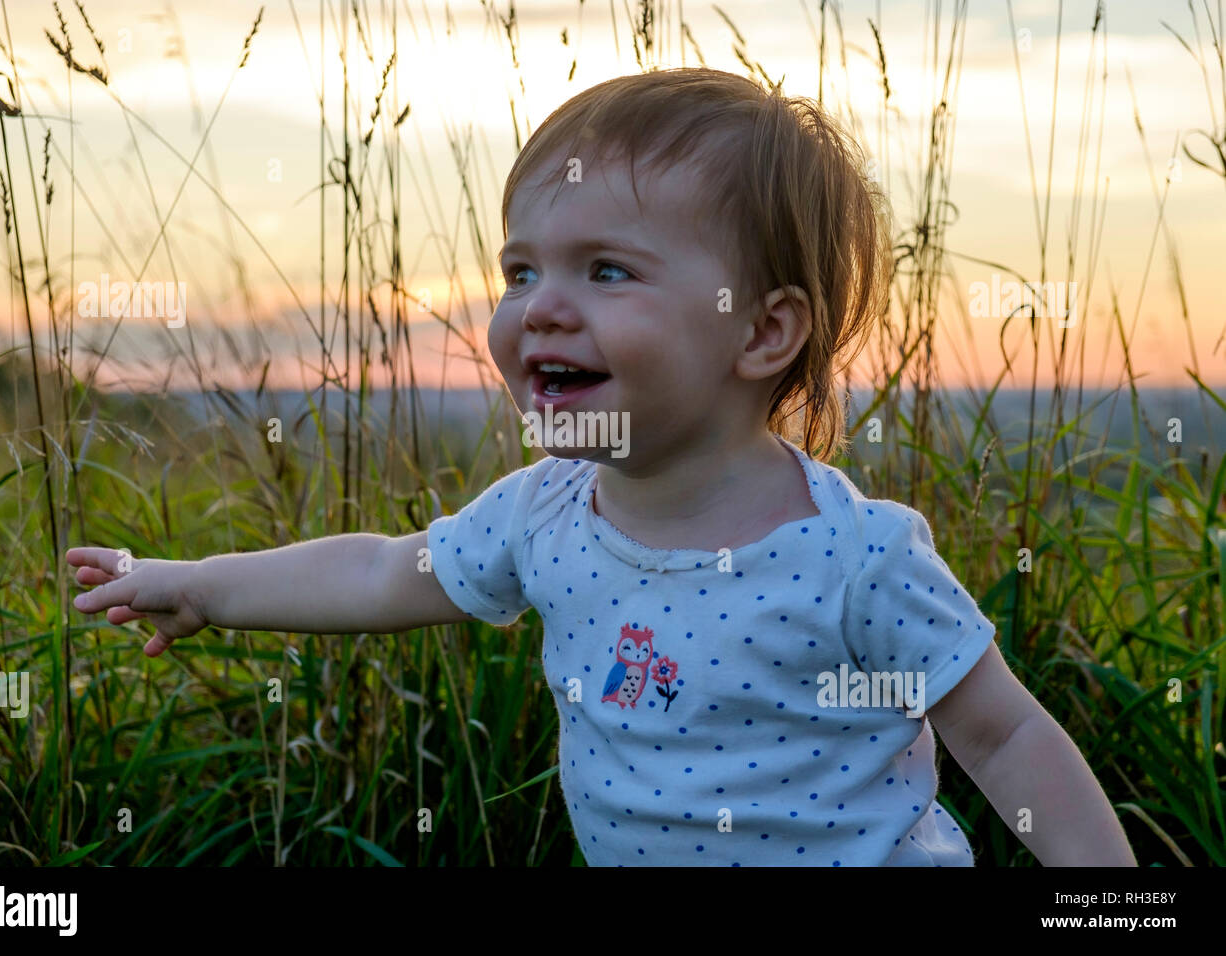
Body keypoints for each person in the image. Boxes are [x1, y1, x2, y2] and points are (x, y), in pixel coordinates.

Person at [68, 67, 1136, 866]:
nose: (539, 308)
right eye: (520, 270)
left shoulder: (856, 557)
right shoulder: (545, 514)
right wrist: (200, 584)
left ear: (761, 331)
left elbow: (1005, 736)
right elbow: (383, 570)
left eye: (607, 270)